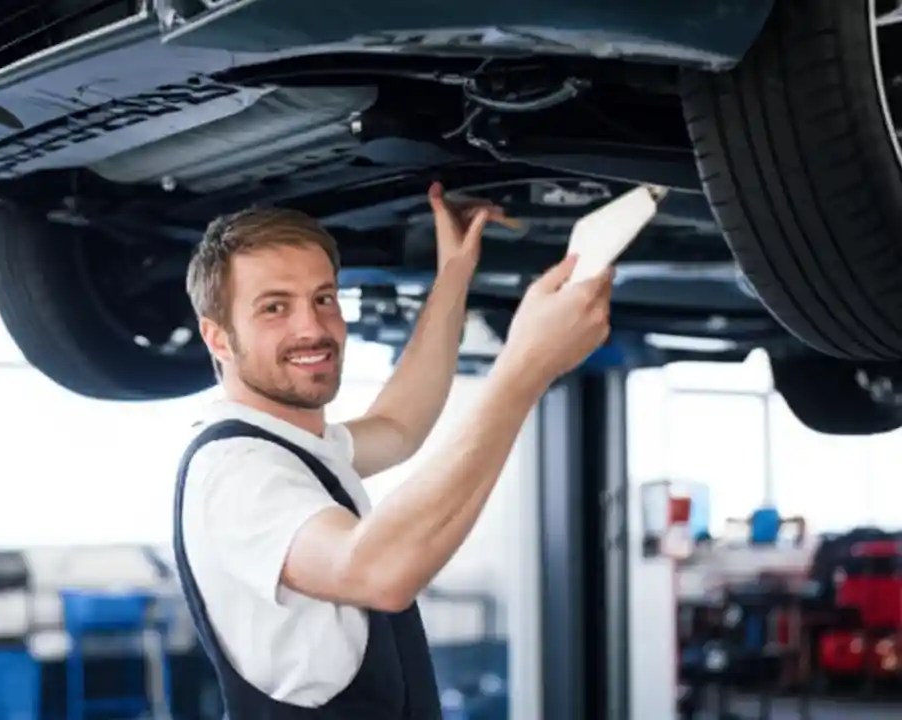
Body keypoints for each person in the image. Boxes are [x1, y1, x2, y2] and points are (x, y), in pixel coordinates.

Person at [173, 182, 615, 719]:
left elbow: (400, 424)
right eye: (274, 308)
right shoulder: (237, 473)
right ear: (218, 338)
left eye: (323, 298)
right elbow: (377, 572)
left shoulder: (291, 448)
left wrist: (453, 271)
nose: (312, 328)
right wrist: (524, 369)